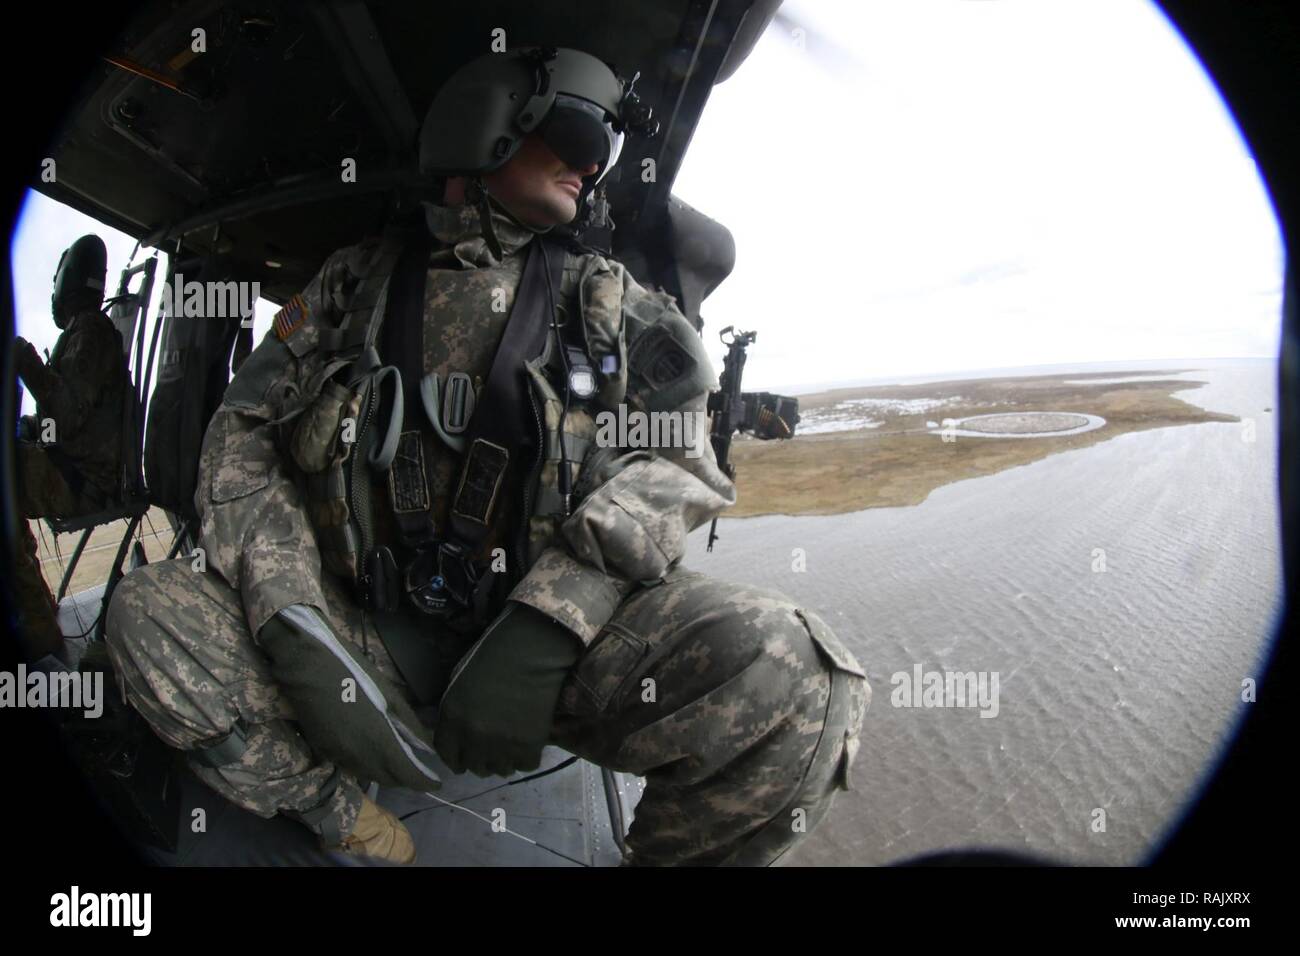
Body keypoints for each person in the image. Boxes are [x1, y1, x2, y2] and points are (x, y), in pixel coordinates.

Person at [104, 47, 868, 865]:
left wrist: (550, 622)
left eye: (601, 154)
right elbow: (241, 437)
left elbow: (682, 461)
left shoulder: (608, 302)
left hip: (555, 652)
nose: (589, 166)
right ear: (489, 128)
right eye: (575, 136)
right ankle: (343, 816)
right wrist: (292, 619)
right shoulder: (344, 288)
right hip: (356, 631)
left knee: (801, 682)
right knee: (148, 615)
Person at [13, 234, 129, 661]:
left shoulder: (92, 331)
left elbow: (65, 415)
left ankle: (40, 635)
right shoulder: (87, 332)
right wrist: (29, 428)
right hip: (72, 469)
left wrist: (25, 359)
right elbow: (64, 423)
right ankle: (37, 612)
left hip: (79, 482)